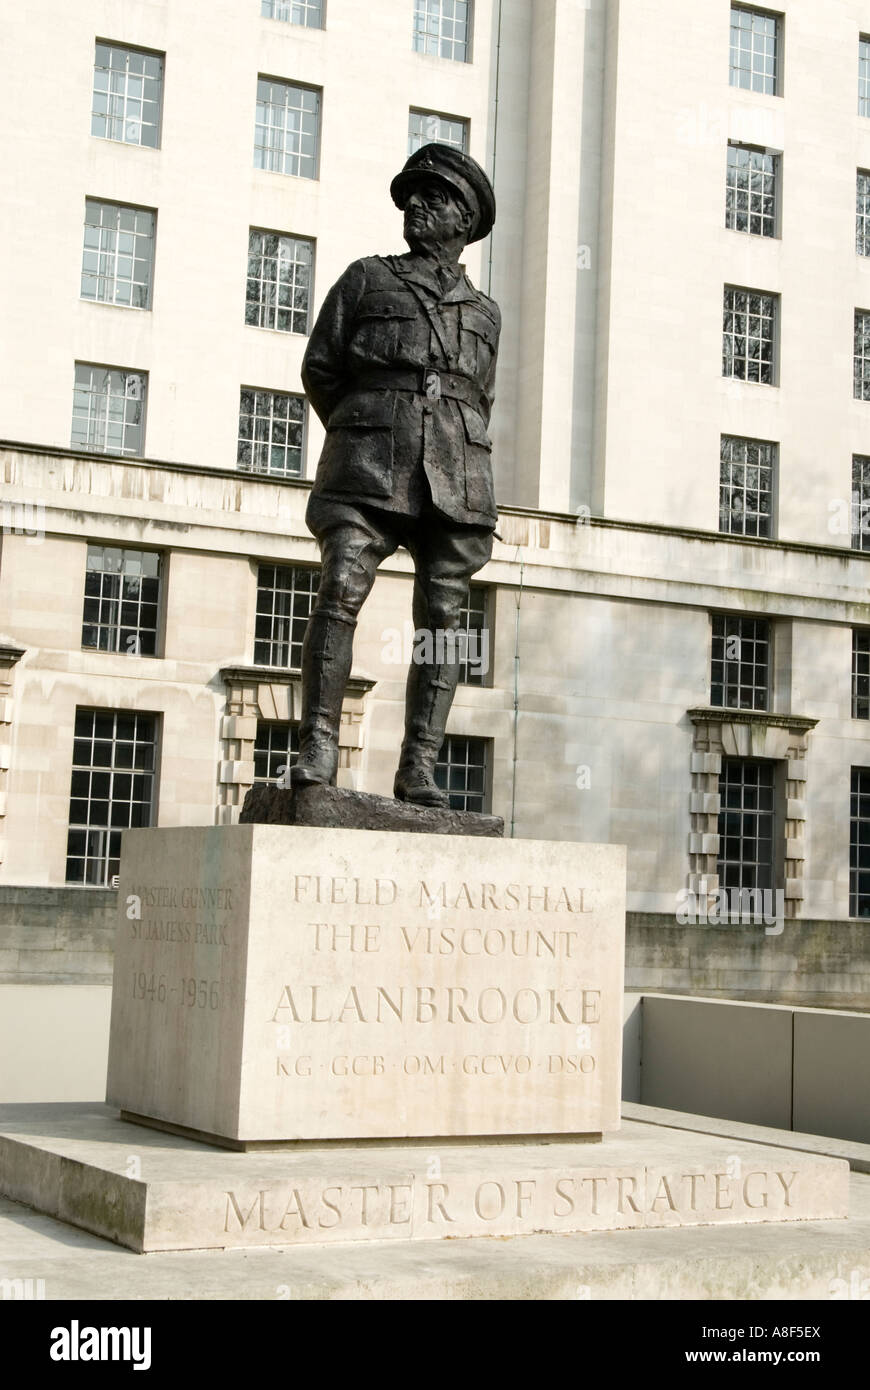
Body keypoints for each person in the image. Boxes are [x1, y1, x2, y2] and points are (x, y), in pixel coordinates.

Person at [294, 143, 500, 807]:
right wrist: (368, 423)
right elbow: (321, 369)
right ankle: (318, 744)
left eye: (434, 197)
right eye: (413, 194)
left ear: (464, 220)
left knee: (444, 618)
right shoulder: (365, 278)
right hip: (366, 466)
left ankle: (420, 766)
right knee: (340, 589)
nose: (416, 204)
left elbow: (480, 397)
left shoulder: (486, 312)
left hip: (457, 475)